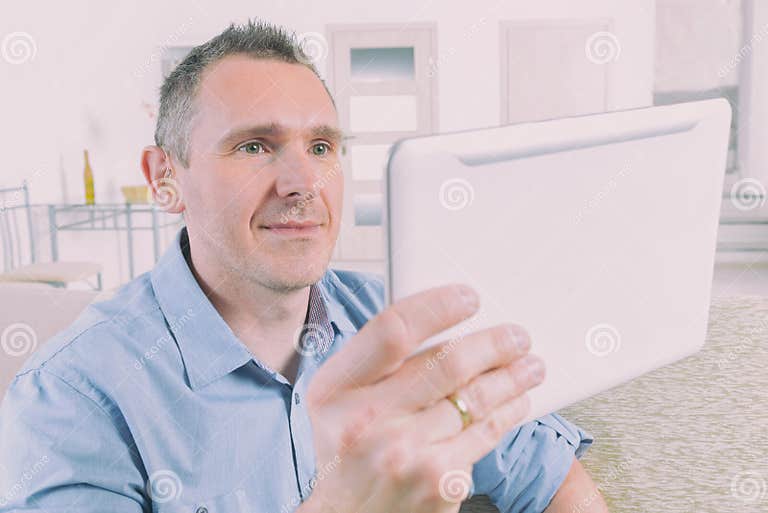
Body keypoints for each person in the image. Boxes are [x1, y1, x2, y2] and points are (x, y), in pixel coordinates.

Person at [0, 19, 609, 513]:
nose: (303, 183)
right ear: (166, 179)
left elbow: (552, 478)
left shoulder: (390, 319)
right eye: (254, 146)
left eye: (321, 147)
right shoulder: (72, 395)